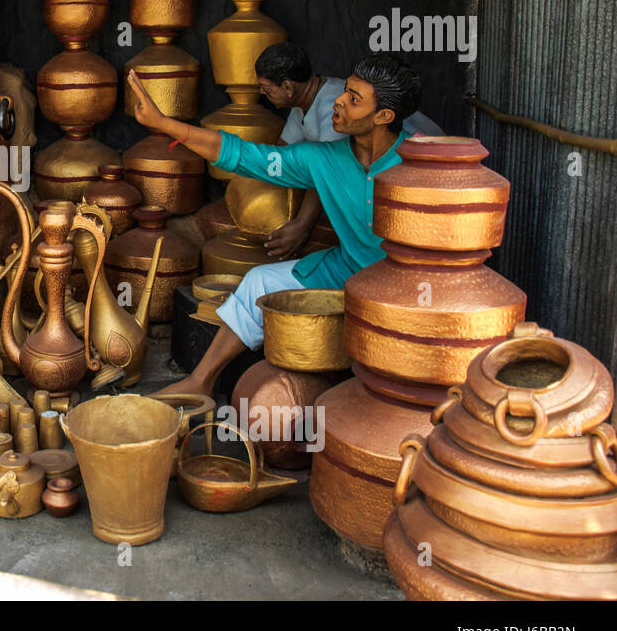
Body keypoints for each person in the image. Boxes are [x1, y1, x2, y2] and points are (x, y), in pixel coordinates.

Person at [126, 54, 424, 400]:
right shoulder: (323, 157)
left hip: (400, 287)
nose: (339, 101)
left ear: (384, 116)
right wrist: (165, 124)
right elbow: (244, 155)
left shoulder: (420, 163)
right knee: (259, 281)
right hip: (345, 269)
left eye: (354, 99)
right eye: (344, 91)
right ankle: (201, 382)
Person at [252, 42, 444, 259]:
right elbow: (281, 154)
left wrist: (301, 225)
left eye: (267, 89)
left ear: (287, 87)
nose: (340, 101)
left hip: (418, 175)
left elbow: (330, 170)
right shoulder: (302, 106)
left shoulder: (338, 112)